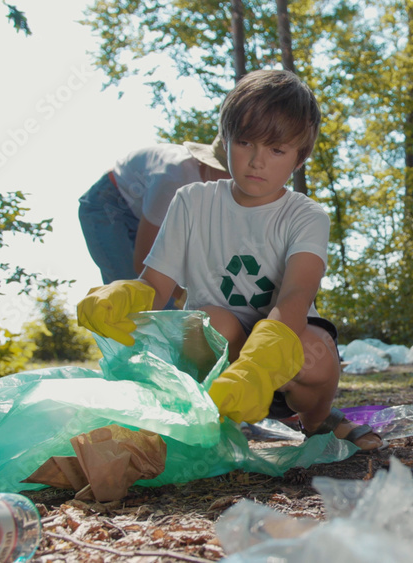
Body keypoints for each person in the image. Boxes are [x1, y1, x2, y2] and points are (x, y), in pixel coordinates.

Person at [77, 69, 382, 451]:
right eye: (245, 142)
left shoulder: (308, 215)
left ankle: (317, 420)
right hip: (215, 361)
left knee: (316, 352)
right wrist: (125, 296)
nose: (257, 161)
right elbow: (156, 285)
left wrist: (260, 366)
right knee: (214, 321)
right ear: (225, 143)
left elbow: (296, 297)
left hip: (280, 361)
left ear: (300, 157)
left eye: (276, 150)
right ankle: (218, 416)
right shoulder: (191, 201)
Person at [78, 139, 232, 286]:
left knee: (162, 292)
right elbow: (143, 262)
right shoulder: (174, 179)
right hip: (109, 205)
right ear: (214, 164)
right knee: (133, 286)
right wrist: (186, 298)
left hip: (144, 214)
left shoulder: (210, 191)